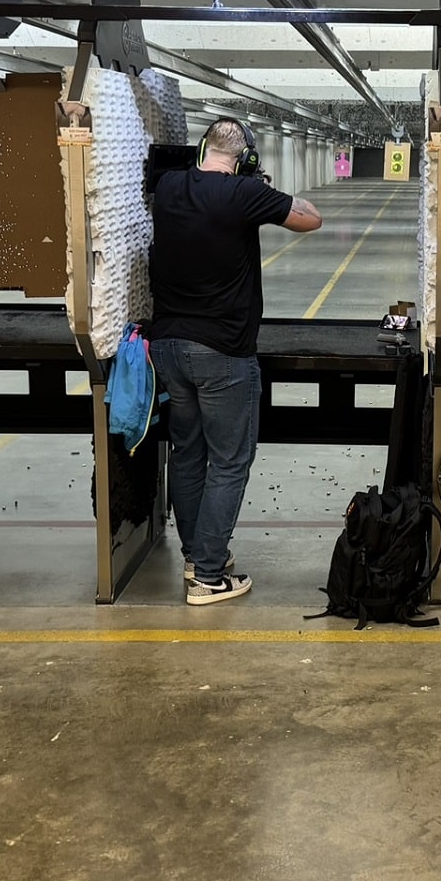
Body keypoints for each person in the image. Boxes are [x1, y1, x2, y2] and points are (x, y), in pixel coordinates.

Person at [146, 120, 321, 604]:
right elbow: (310, 218)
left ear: (203, 148)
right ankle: (208, 575)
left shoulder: (167, 187)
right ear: (243, 160)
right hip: (222, 352)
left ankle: (196, 555)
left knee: (188, 454)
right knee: (228, 461)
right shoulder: (243, 193)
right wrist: (262, 187)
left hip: (168, 347)